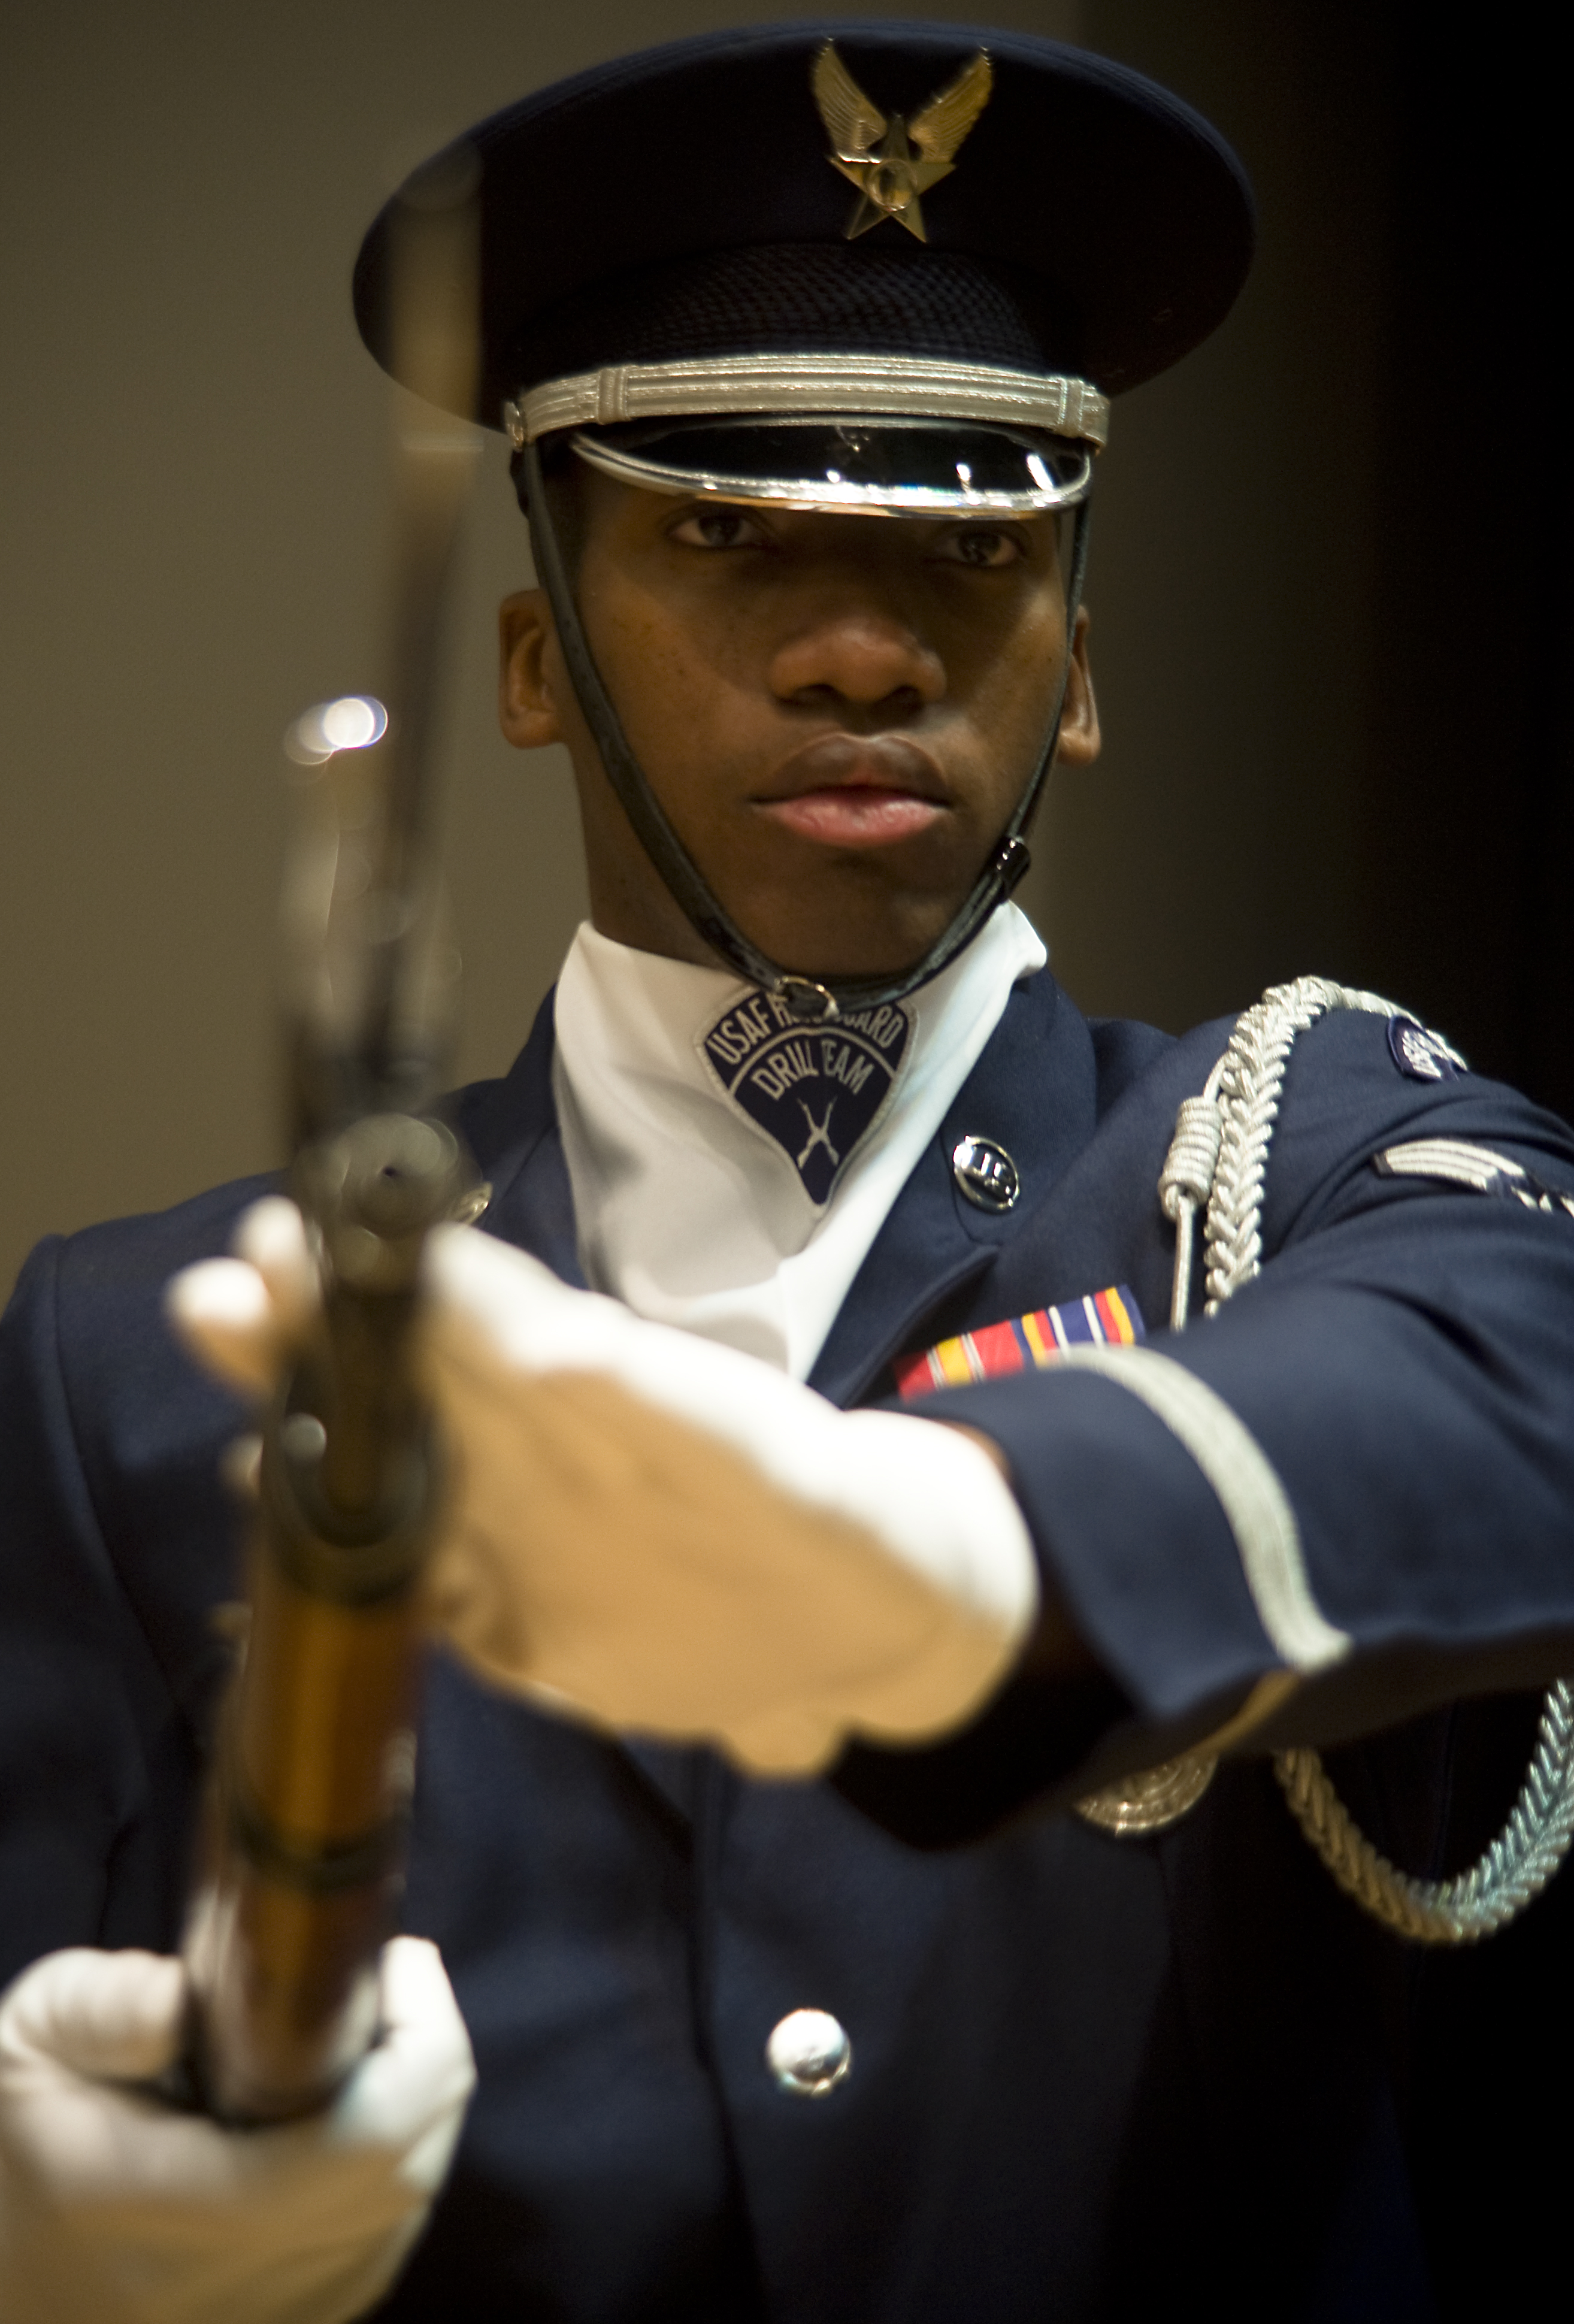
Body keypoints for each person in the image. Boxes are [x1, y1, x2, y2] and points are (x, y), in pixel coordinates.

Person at [3, 20, 1574, 2320]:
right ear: (532, 663)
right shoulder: (120, 1367)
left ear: (1080, 662)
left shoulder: (1292, 1167)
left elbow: (1523, 1375)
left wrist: (956, 1551)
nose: (859, 650)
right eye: (725, 535)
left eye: (972, 553)